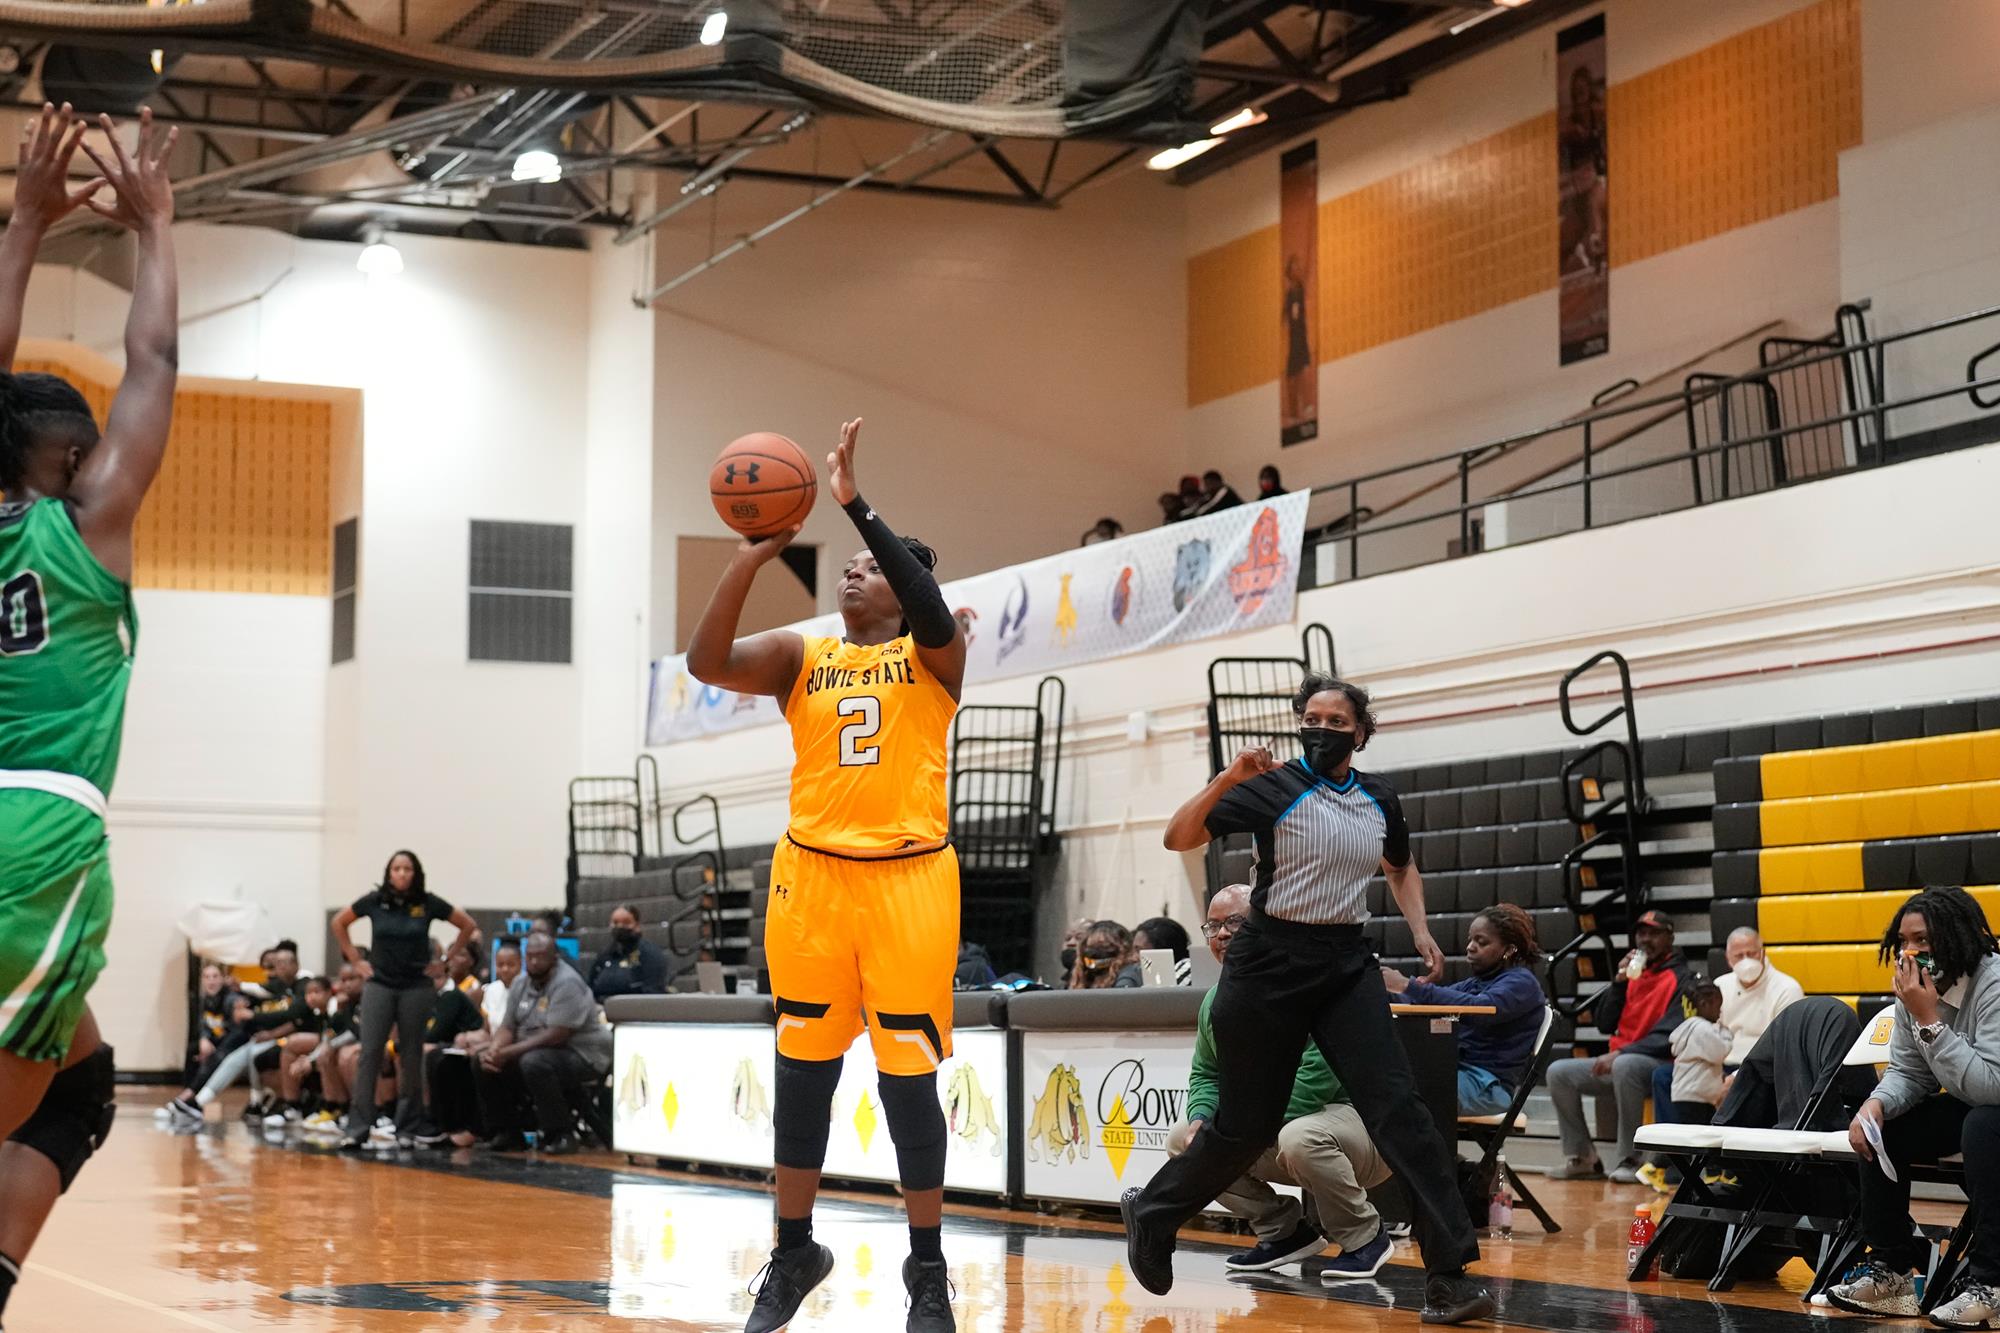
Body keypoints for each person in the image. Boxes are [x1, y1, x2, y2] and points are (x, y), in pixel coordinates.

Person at [685, 417, 968, 1333]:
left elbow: (927, 605)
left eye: (871, 565)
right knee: (802, 1078)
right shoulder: (806, 656)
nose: (853, 569)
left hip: (909, 882)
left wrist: (855, 504)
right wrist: (750, 555)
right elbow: (707, 661)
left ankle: (927, 1270)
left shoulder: (935, 651)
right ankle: (794, 1247)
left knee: (906, 1085)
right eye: (848, 561)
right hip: (810, 882)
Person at [1124, 673, 1492, 1324]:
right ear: (1299, 723)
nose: (1322, 727)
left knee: (1402, 1112)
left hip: (1346, 962)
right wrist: (1227, 777)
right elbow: (1179, 837)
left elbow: (1400, 865)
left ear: (1361, 731)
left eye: (1336, 719)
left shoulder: (1379, 797)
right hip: (1267, 962)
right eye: (1311, 716)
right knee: (1244, 1127)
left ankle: (1447, 1274)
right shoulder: (1272, 788)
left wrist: (1420, 927)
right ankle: (1154, 1214)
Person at [0, 105, 179, 1328]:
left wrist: (22, 224)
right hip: (36, 840)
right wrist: (158, 229)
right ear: (68, 458)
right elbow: (155, 368)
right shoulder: (84, 527)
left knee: (82, 1087)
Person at [1169, 884, 1395, 1279]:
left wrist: (1241, 1130)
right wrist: (1203, 1118)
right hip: (1273, 1125)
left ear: (1266, 926)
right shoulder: (1215, 1001)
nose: (1222, 934)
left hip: (1362, 1127)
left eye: (1235, 923)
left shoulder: (1310, 984)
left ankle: (1365, 1236)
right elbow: (1206, 1074)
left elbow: (1313, 1083)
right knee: (1185, 1142)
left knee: (1300, 1137)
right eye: (1213, 926)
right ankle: (1283, 1233)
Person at [1827, 886, 2000, 1326]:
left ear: (1956, 936)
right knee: (1883, 1129)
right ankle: (1893, 1271)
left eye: (1922, 940)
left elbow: (1992, 1086)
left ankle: (1993, 1285)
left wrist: (1929, 1019)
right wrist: (1876, 1103)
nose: (1910, 952)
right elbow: (1910, 1073)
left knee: (1982, 1125)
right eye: (1904, 942)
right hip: (1974, 1103)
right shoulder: (1915, 990)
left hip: (1992, 1103)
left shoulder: (1994, 983)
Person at [329, 850, 479, 1152]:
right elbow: (339, 922)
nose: (401, 874)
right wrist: (356, 959)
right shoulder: (374, 900)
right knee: (369, 1054)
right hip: (380, 985)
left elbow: (467, 925)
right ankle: (357, 1128)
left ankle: (407, 1128)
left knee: (410, 1056)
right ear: (388, 873)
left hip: (416, 987)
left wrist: (446, 961)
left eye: (407, 869)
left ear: (415, 873)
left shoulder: (427, 902)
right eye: (396, 868)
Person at [1544, 908, 1696, 1183]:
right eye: (1641, 933)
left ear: (1670, 937)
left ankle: (1631, 1158)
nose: (1645, 939)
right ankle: (1583, 1158)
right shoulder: (1633, 974)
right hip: (1623, 1060)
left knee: (1626, 1065)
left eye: (1654, 933)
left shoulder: (1683, 978)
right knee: (1559, 1072)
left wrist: (1622, 1052)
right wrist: (1617, 984)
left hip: (1660, 1065)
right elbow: (1603, 1023)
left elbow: (1670, 1034)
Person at [1381, 903, 1547, 1116]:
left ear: (1509, 950)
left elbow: (1480, 1010)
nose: (1470, 946)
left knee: (1406, 1091)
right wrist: (1384, 989)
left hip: (1487, 1086)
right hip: (1458, 1072)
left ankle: (1428, 1149)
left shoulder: (1522, 983)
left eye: (1481, 941)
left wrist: (1407, 985)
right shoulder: (1475, 983)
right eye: (1471, 939)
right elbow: (1425, 1005)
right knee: (1388, 1079)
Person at [1648, 927, 1802, 1138]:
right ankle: (1670, 1155)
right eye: (1739, 956)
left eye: (1752, 953)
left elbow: (1782, 1048)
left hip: (1759, 1069)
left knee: (1740, 1085)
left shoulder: (1787, 988)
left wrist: (1738, 1076)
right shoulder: (1719, 986)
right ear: (1729, 960)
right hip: (1718, 1064)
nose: (1746, 960)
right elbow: (1705, 1036)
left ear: (1763, 952)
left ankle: (1719, 1161)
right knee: (1665, 1077)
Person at [474, 933, 609, 1156]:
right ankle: (507, 1131)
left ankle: (561, 1134)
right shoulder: (520, 982)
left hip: (584, 1053)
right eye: (531, 957)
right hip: (542, 1051)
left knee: (534, 1062)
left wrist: (508, 1052)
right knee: (481, 1059)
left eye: (541, 957)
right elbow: (508, 1026)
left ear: (555, 957)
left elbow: (557, 1035)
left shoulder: (567, 982)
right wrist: (495, 1049)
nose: (535, 962)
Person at [423, 943, 488, 1148]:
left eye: (461, 953)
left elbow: (437, 1032)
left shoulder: (462, 992)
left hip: (471, 1042)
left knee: (431, 1053)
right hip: (457, 1042)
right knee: (426, 1054)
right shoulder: (439, 995)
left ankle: (438, 1119)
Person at [1666, 983, 1732, 1125]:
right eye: (1718, 1007)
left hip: (1694, 1096)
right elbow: (1719, 1053)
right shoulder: (1701, 1029)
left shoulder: (1691, 1026)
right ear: (1704, 1005)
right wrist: (1726, 1034)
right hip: (1695, 1098)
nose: (1720, 1012)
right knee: (1697, 1141)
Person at [588, 904, 668, 1002]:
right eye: (615, 922)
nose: (620, 927)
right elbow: (590, 988)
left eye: (626, 922)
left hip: (635, 1013)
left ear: (637, 925)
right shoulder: (604, 954)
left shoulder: (650, 954)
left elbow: (654, 995)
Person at [185, 963, 236, 1087]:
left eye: (215, 976)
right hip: (213, 1040)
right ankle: (187, 1091)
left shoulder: (231, 999)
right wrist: (204, 1039)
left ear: (223, 979)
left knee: (215, 1057)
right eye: (207, 977)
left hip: (230, 1043)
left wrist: (216, 1047)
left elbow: (237, 1033)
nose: (211, 981)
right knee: (192, 1050)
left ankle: (198, 1093)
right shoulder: (203, 1001)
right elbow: (203, 1025)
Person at [1068, 921, 1134, 990]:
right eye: (1090, 947)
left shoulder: (1128, 976)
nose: (1094, 953)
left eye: (1104, 947)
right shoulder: (1082, 977)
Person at [1132, 917, 1193, 986]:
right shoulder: (1154, 977)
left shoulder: (1187, 967)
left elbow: (1164, 995)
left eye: (1139, 950)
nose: (1133, 958)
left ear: (1162, 948)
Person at [485, 938, 522, 1034]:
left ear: (521, 964)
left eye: (511, 965)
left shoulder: (529, 989)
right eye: (500, 965)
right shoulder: (491, 989)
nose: (505, 969)